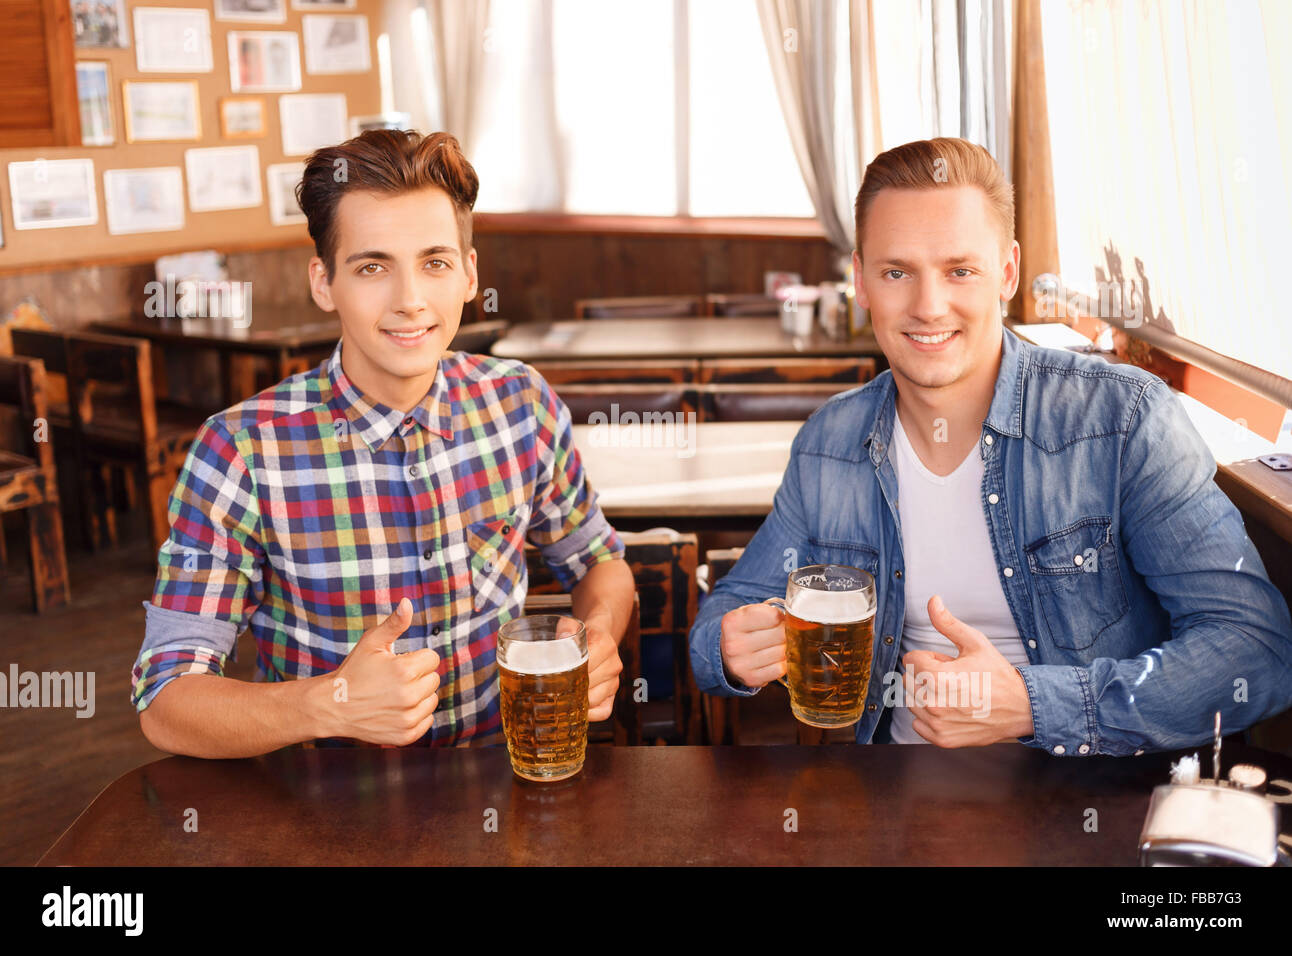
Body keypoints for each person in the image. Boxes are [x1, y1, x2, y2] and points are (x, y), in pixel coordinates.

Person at [689, 137, 1292, 754]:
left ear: (1006, 273)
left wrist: (1033, 706)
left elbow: (1256, 651)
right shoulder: (830, 442)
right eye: (897, 272)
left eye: (960, 270)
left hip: (1087, 810)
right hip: (891, 811)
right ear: (861, 281)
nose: (928, 307)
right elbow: (723, 615)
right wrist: (731, 651)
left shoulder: (1124, 419)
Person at [132, 130, 634, 758]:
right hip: (326, 820)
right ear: (324, 282)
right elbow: (167, 699)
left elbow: (599, 562)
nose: (410, 301)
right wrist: (330, 703)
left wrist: (598, 636)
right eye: (373, 267)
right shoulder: (240, 450)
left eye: (435, 262)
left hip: (505, 787)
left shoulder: (521, 402)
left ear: (469, 273)